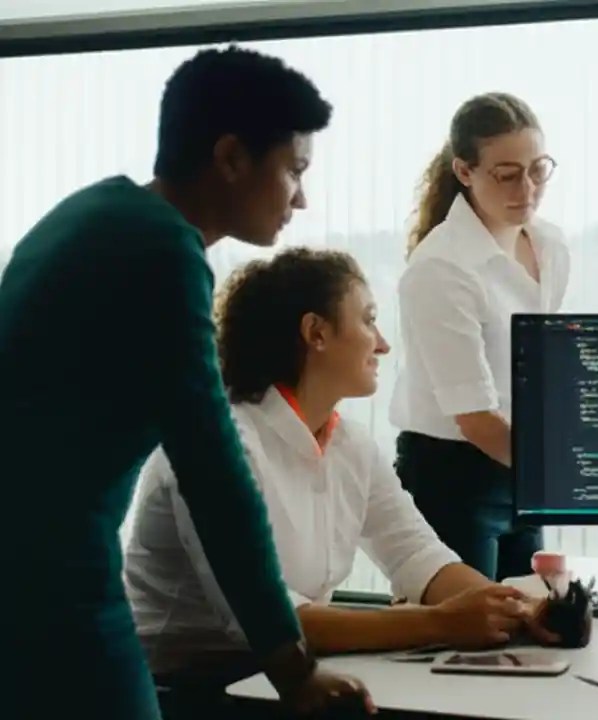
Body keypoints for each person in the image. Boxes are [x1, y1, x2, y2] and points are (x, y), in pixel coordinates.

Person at [0, 47, 373, 718]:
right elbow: (213, 473)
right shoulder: (162, 251)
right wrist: (292, 669)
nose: (303, 197)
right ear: (231, 158)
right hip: (50, 587)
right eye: (294, 170)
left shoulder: (89, 215)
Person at [125, 247, 558, 696]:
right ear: (316, 333)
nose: (384, 343)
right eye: (369, 320)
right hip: (188, 692)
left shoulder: (350, 443)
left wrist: (522, 610)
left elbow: (417, 556)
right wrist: (439, 622)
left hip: (279, 678)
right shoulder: (223, 448)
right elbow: (266, 621)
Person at [390, 93, 570, 581]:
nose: (527, 188)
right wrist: (561, 475)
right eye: (507, 174)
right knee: (464, 639)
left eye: (538, 169)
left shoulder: (550, 246)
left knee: (531, 624)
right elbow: (473, 416)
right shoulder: (441, 269)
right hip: (452, 476)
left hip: (517, 463)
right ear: (465, 172)